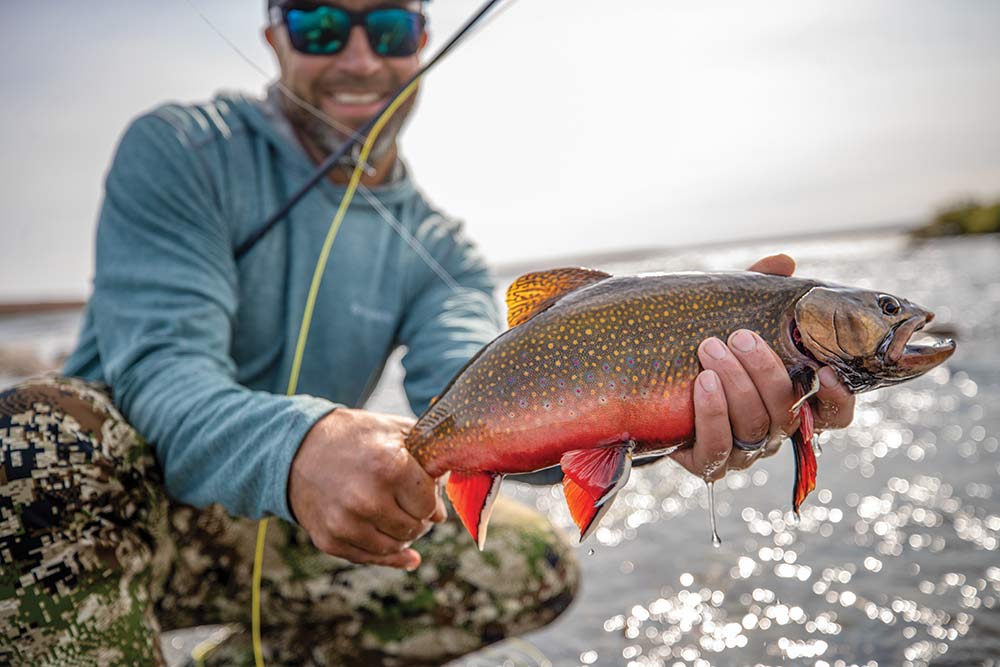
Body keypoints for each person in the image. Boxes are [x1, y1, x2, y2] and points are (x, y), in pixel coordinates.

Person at [0, 1, 857, 665]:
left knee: (528, 560)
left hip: (304, 526)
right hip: (123, 506)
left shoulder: (442, 247)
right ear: (274, 37)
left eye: (391, 26)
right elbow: (162, 373)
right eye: (323, 23)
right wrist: (303, 446)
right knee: (44, 431)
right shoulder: (180, 149)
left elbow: (493, 409)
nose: (361, 58)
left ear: (421, 40)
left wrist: (662, 424)